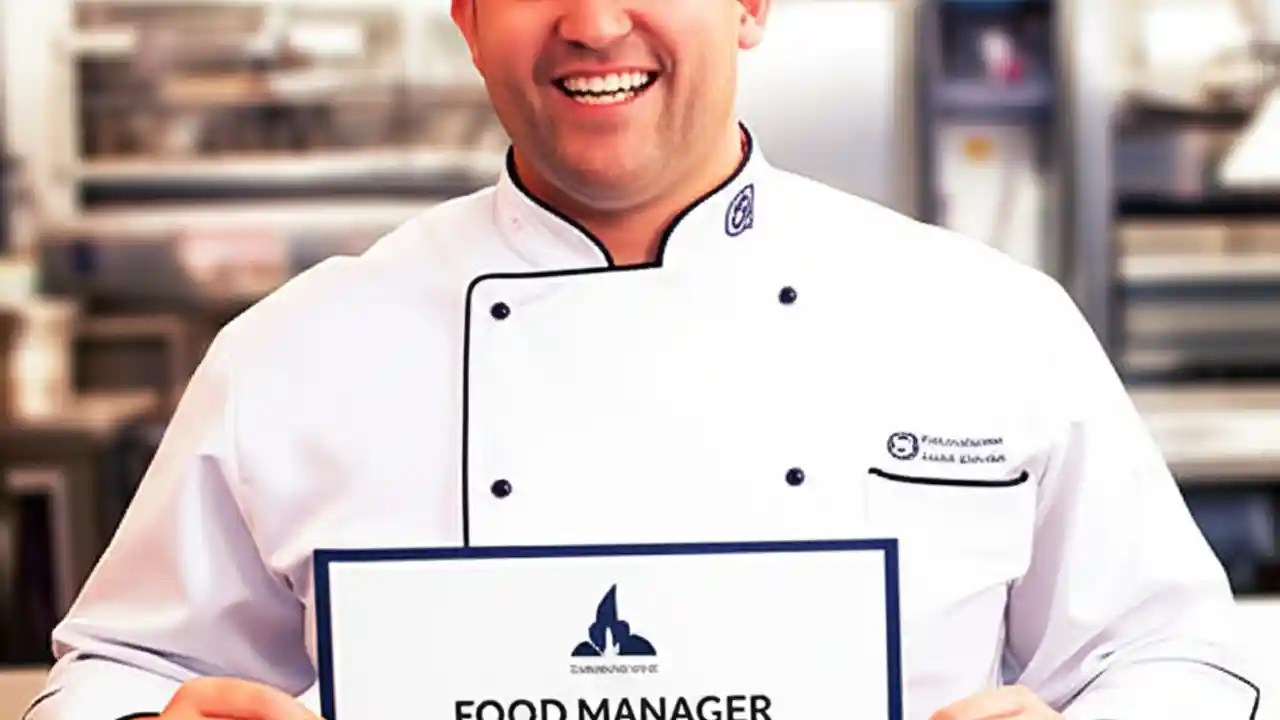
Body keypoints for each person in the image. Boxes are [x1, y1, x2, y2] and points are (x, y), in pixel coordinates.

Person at [24, 1, 1258, 719]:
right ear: (463, 15)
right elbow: (118, 671)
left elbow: (1178, 658)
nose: (592, 22)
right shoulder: (294, 352)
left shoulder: (986, 320)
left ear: (752, 2)